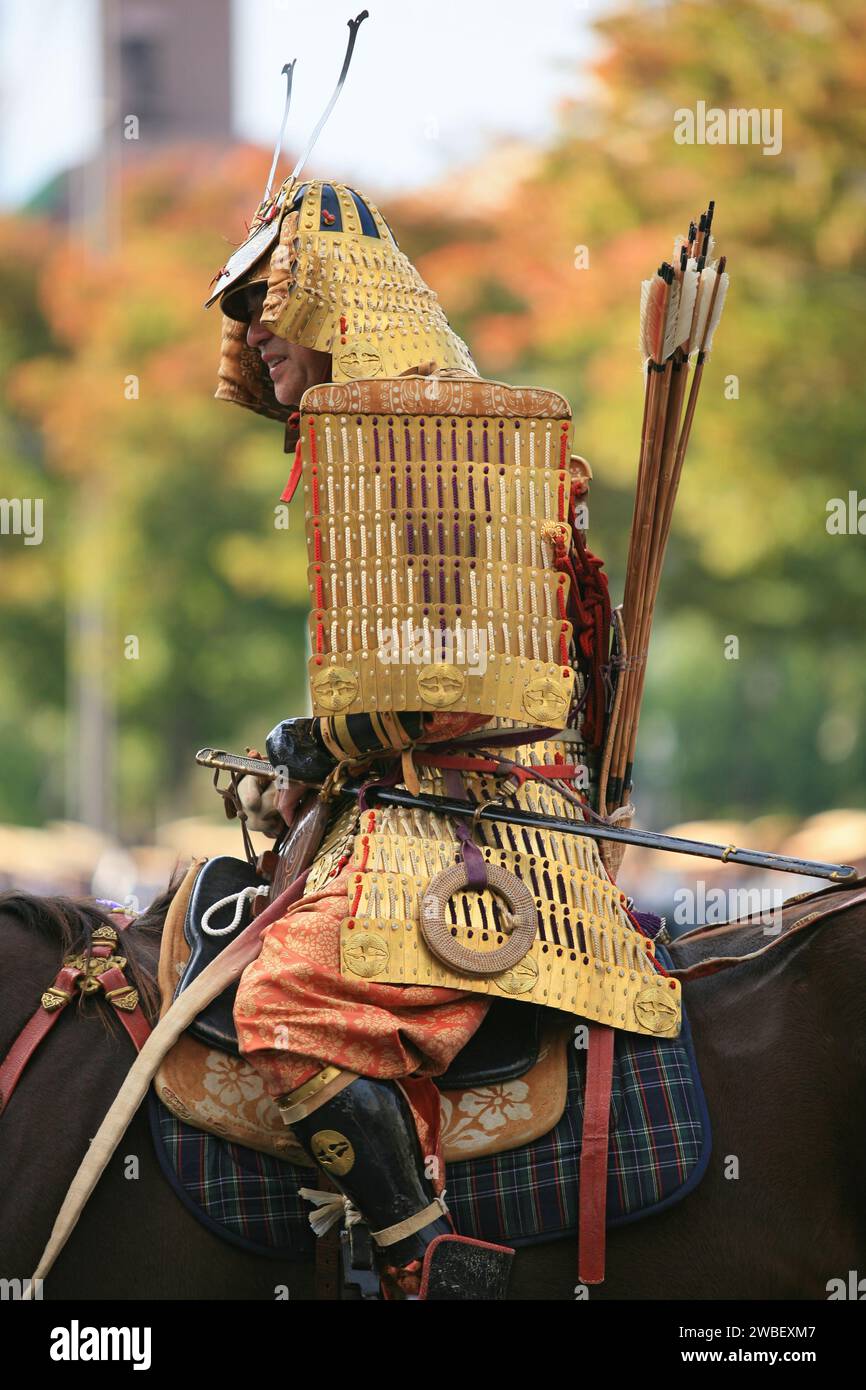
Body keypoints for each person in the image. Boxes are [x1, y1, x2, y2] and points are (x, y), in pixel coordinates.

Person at [206, 174, 650, 1300]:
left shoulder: (423, 433)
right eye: (241, 309)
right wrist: (314, 760)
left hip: (470, 820)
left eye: (265, 299)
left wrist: (320, 742)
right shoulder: (402, 426)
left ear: (327, 296)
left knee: (286, 1007)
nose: (252, 331)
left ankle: (426, 1260)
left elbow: (451, 682)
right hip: (423, 798)